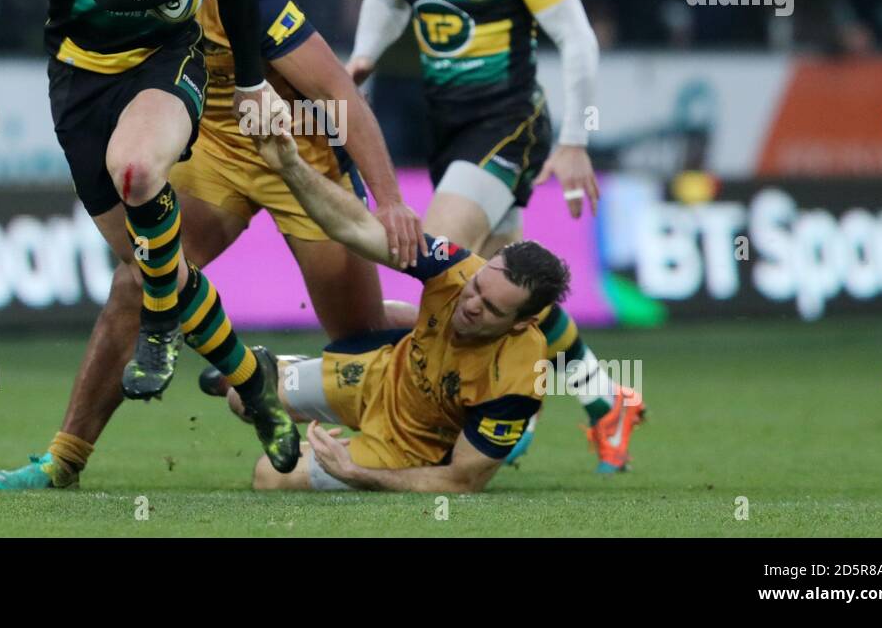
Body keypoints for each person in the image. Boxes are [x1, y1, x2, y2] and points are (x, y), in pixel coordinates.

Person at [0, 0, 423, 490]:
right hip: (215, 147)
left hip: (300, 156)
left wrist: (391, 199)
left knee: (359, 341)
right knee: (141, 276)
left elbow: (341, 96)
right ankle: (64, 459)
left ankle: (449, 344)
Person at [344, 0, 643, 471]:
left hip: (508, 121)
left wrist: (575, 141)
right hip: (446, 122)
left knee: (432, 261)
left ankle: (438, 415)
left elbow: (578, 38)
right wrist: (360, 58)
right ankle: (603, 398)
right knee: (505, 294)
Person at [40, 0, 296, 476]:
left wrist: (251, 85)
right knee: (160, 261)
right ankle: (256, 387)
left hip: (165, 63)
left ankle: (158, 328)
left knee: (138, 167)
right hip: (81, 85)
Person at [205, 118, 643, 491]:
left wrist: (353, 471)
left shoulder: (517, 382)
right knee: (243, 401)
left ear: (520, 324)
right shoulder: (455, 266)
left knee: (267, 475)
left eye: (490, 308)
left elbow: (462, 482)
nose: (470, 304)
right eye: (476, 288)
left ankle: (603, 399)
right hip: (376, 377)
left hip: (405, 447)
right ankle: (295, 364)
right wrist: (291, 167)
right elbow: (358, 230)